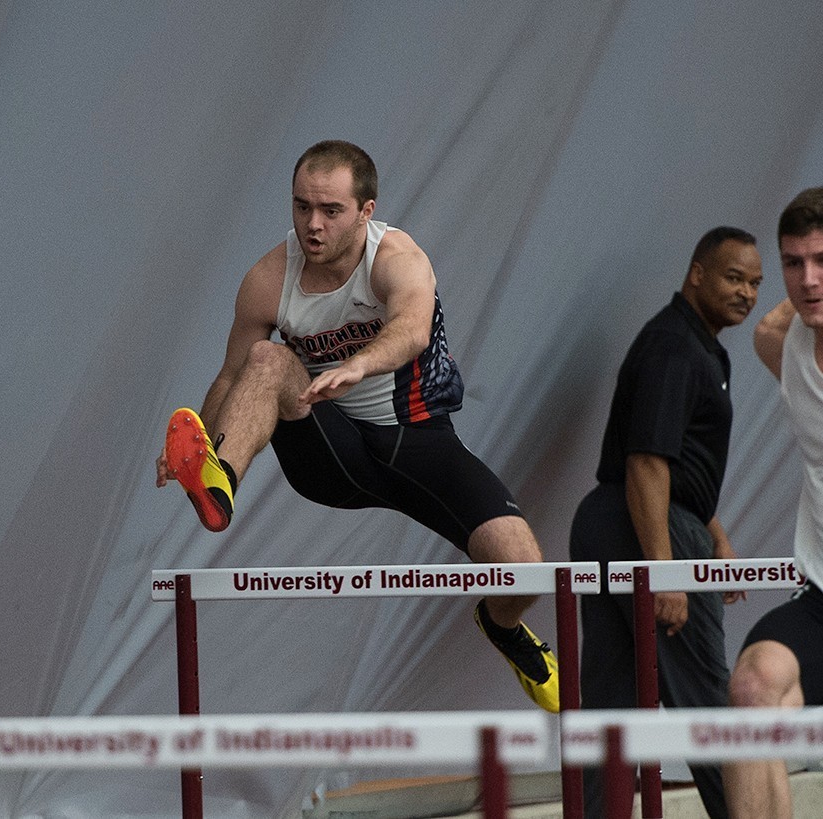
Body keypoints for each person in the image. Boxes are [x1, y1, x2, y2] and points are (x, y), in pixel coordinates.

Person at [155, 140, 559, 712]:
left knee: (525, 570)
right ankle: (218, 477)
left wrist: (361, 363)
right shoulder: (270, 277)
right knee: (268, 363)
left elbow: (413, 330)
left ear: (366, 211)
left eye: (330, 211)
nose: (311, 226)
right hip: (331, 448)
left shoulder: (396, 257)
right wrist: (193, 438)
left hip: (417, 442)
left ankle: (504, 629)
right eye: (300, 208)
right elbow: (229, 377)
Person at [569, 226, 763, 818]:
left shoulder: (697, 346)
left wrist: (715, 535)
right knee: (708, 703)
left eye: (756, 283)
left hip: (617, 521)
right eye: (734, 277)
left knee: (611, 713)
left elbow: (679, 463)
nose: (747, 294)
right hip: (643, 526)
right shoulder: (675, 346)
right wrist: (666, 568)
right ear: (697, 273)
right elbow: (647, 463)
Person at [722, 188, 823, 819]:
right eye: (794, 263)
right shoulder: (782, 346)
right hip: (821, 597)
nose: (809, 280)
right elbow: (779, 321)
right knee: (752, 687)